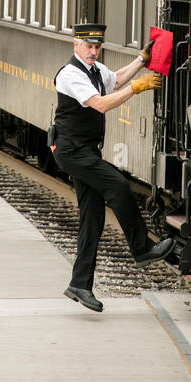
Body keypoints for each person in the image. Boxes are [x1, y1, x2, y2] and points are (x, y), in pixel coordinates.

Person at [53, 22, 173, 313]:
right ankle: (142, 249)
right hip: (72, 151)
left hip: (84, 150)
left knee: (92, 218)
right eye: (88, 46)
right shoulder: (71, 74)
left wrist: (141, 62)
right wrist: (138, 86)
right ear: (76, 45)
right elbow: (101, 104)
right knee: (118, 185)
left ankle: (79, 285)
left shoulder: (94, 70)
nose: (94, 51)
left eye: (97, 47)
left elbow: (114, 81)